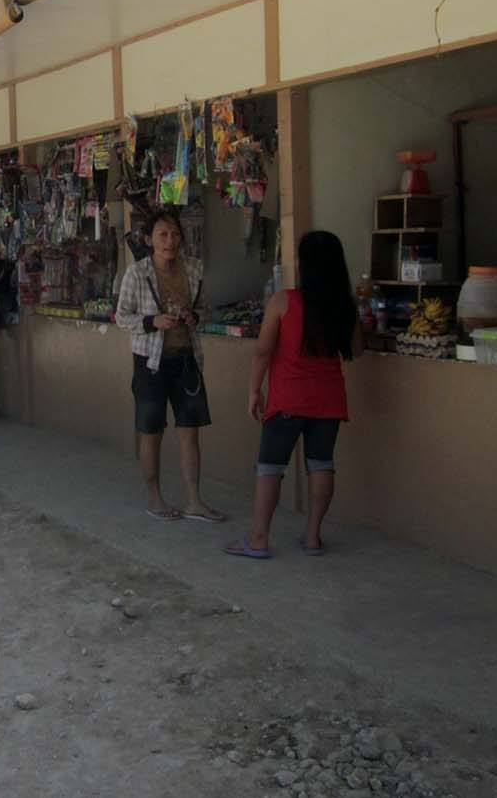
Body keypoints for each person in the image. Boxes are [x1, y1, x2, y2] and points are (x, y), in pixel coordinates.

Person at [227, 230, 362, 559]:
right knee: (321, 465)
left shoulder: (284, 301)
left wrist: (253, 391)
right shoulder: (346, 307)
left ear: (303, 264)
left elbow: (262, 351)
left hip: (287, 398)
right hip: (328, 400)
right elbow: (356, 350)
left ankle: (259, 539)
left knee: (270, 468)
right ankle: (313, 537)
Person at [115, 209, 225, 523]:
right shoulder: (137, 273)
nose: (170, 241)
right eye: (163, 234)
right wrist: (153, 322)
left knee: (190, 431)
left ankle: (194, 501)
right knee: (151, 431)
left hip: (186, 358)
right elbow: (122, 317)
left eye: (175, 234)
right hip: (150, 362)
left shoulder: (194, 269)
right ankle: (155, 498)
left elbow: (205, 308)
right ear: (148, 240)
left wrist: (195, 317)